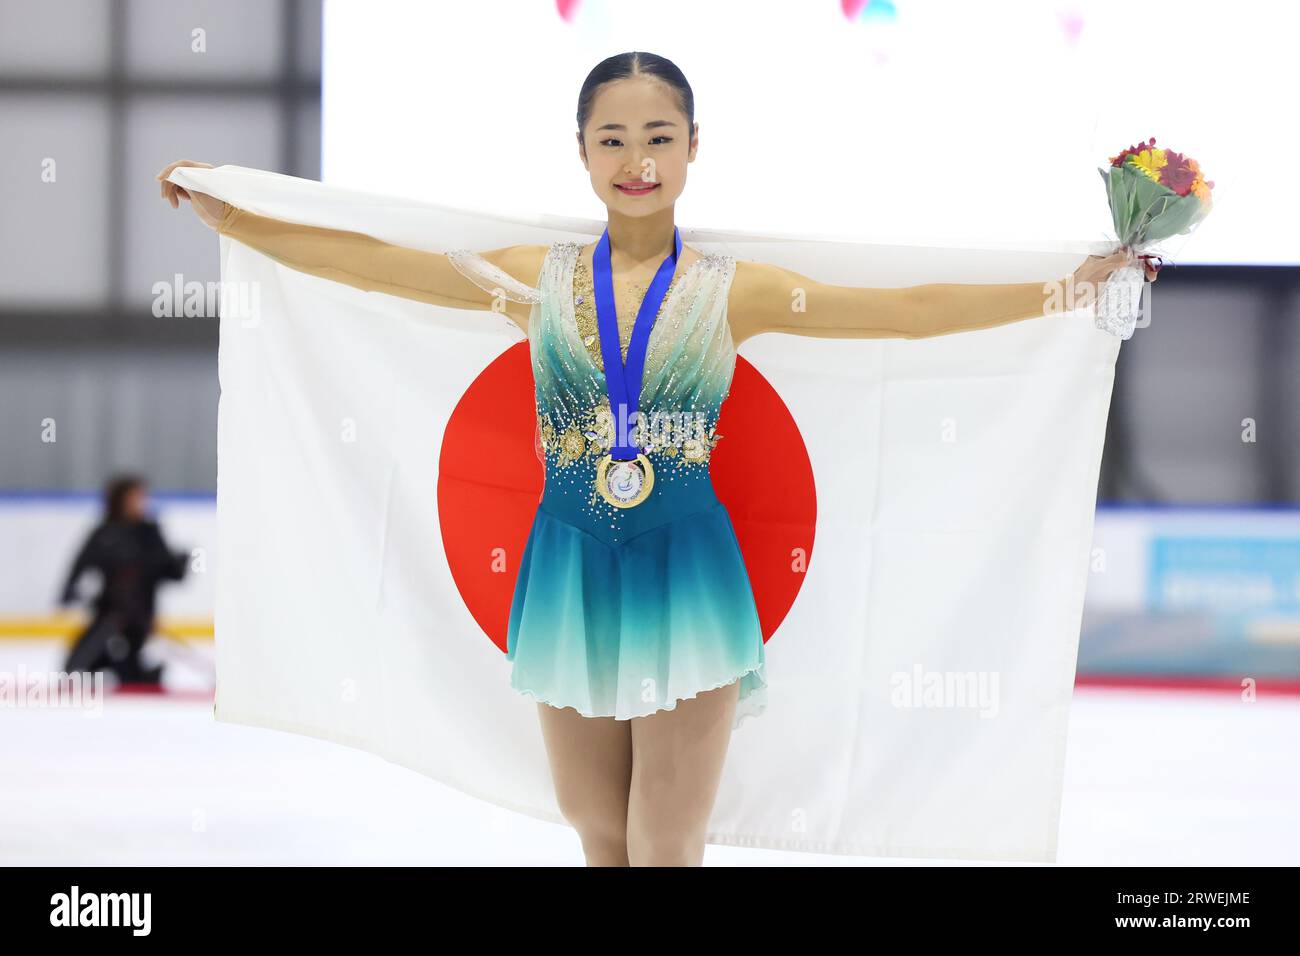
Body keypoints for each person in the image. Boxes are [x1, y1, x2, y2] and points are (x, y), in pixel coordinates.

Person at [156, 51, 1153, 866]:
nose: (636, 158)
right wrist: (232, 217)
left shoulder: (736, 291)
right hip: (566, 567)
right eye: (613, 138)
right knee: (599, 833)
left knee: (662, 841)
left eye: (657, 137)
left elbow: (907, 312)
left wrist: (1069, 291)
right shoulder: (529, 282)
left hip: (688, 574)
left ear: (690, 148)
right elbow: (368, 262)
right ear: (583, 152)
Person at [60, 474, 190, 686]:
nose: (141, 502)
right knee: (74, 669)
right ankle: (119, 666)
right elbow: (81, 565)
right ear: (120, 499)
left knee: (131, 675)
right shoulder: (105, 533)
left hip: (139, 619)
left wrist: (181, 563)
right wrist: (70, 591)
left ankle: (138, 672)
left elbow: (169, 572)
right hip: (109, 616)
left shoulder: (149, 533)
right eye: (135, 497)